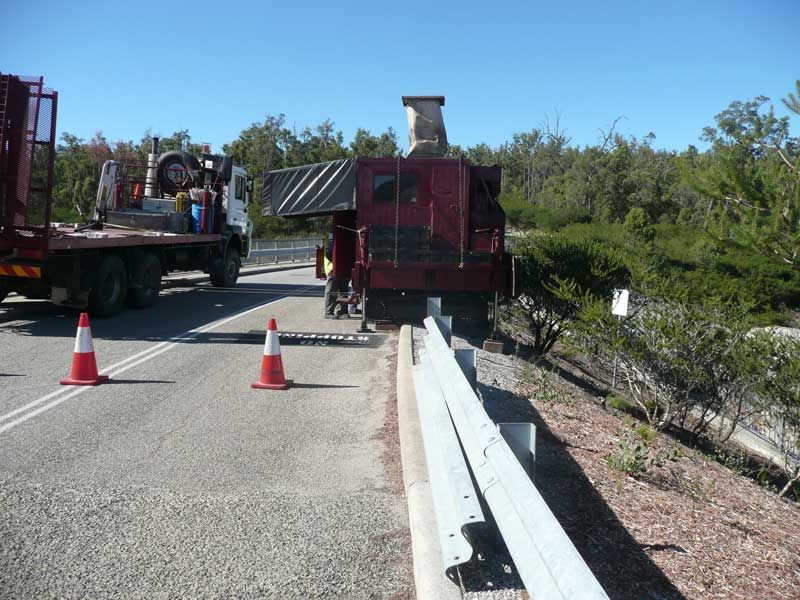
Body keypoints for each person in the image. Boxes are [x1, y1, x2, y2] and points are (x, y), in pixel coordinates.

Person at [323, 241, 347, 319]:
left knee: (343, 289)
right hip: (332, 268)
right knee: (331, 289)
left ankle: (342, 310)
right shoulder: (333, 242)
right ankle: (328, 312)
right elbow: (329, 254)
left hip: (341, 267)